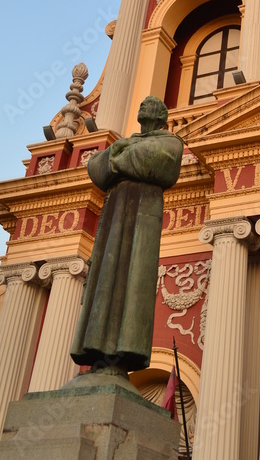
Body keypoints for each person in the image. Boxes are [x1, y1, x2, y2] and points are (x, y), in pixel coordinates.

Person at [71, 96, 183, 372]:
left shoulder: (170, 141)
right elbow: (96, 169)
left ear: (161, 116)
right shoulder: (128, 142)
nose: (143, 107)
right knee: (105, 280)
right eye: (142, 104)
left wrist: (116, 158)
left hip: (142, 221)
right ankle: (95, 349)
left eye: (150, 105)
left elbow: (158, 163)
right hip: (112, 221)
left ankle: (122, 354)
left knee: (132, 281)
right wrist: (122, 154)